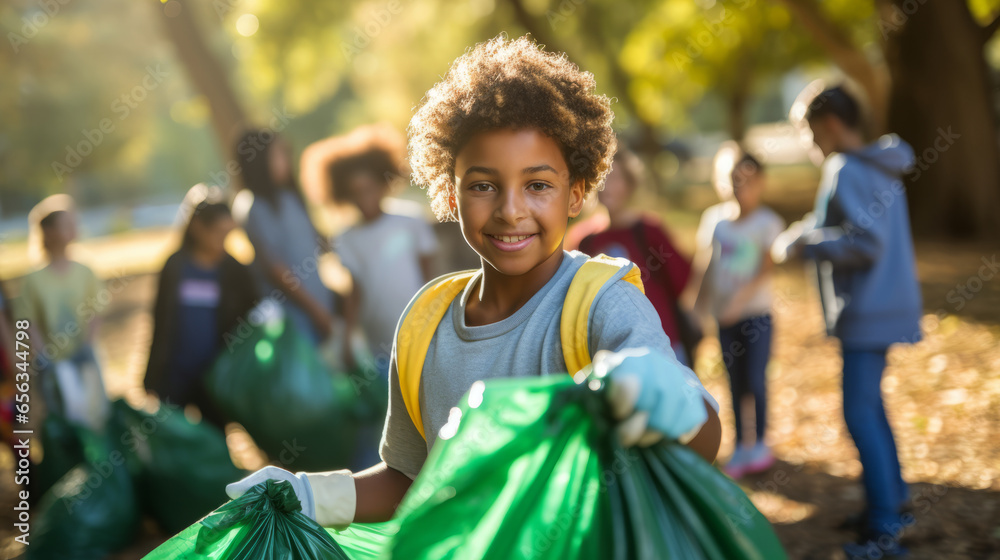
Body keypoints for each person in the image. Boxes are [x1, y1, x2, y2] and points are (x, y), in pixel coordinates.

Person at [225, 35, 721, 530]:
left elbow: (703, 433)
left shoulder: (601, 302)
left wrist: (670, 400)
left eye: (538, 185)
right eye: (483, 185)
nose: (510, 210)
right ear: (449, 191)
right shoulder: (425, 324)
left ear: (577, 193)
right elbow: (412, 479)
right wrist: (310, 494)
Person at [774, 85, 919, 558]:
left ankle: (883, 533)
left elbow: (866, 242)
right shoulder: (882, 164)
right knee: (871, 407)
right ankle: (893, 503)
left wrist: (805, 244)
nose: (810, 143)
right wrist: (811, 235)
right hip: (888, 305)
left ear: (831, 124)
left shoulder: (844, 167)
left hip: (865, 310)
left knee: (858, 413)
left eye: (810, 132)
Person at [688, 147, 784, 479]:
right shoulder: (714, 221)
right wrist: (695, 309)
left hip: (756, 317)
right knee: (734, 380)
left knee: (755, 380)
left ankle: (760, 443)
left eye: (747, 179)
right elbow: (706, 266)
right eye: (733, 179)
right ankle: (741, 445)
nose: (739, 186)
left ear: (760, 182)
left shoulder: (768, 222)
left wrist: (737, 304)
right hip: (723, 320)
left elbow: (765, 267)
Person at [323, 125, 438, 374]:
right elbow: (354, 290)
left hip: (422, 329)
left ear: (382, 183)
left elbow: (431, 275)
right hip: (380, 342)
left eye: (368, 188)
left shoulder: (411, 220)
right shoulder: (346, 239)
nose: (363, 198)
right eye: (355, 192)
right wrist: (347, 340)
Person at [143, 185, 259, 430]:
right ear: (197, 227)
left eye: (229, 234)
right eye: (218, 233)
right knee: (176, 441)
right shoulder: (175, 267)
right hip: (175, 375)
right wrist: (151, 377)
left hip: (215, 376)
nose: (223, 241)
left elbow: (253, 314)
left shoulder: (235, 271)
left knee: (216, 440)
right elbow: (160, 322)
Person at [579, 147, 695, 366]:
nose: (606, 186)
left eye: (615, 178)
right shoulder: (586, 242)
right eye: (601, 178)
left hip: (662, 347)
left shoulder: (649, 232)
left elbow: (682, 281)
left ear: (630, 184)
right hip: (609, 354)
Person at [10, 195, 109, 431]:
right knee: (65, 417)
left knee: (95, 413)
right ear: (50, 232)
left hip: (84, 357)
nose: (75, 227)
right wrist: (44, 355)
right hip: (54, 363)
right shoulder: (34, 279)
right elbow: (28, 321)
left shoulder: (85, 271)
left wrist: (87, 345)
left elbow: (95, 311)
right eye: (67, 224)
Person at [232, 131, 335, 344]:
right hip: (292, 317)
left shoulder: (289, 198)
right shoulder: (254, 207)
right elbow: (276, 270)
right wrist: (316, 311)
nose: (286, 161)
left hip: (319, 306)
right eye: (278, 155)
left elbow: (316, 243)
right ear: (259, 162)